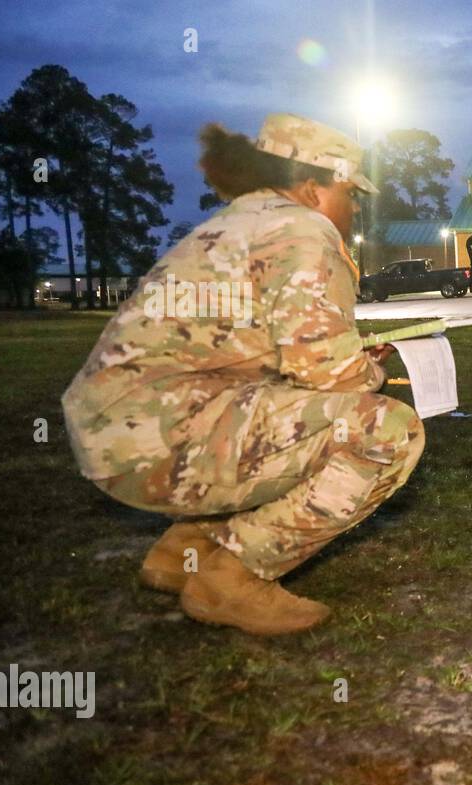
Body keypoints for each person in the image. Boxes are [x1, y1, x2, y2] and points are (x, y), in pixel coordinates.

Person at [60, 114, 424, 635]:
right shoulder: (302, 228)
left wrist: (352, 366)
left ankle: (186, 550)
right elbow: (327, 371)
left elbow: (270, 357)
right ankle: (231, 578)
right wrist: (368, 376)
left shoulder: (236, 222)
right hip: (156, 440)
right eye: (351, 192)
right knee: (388, 431)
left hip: (121, 432)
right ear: (313, 189)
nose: (356, 206)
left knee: (287, 416)